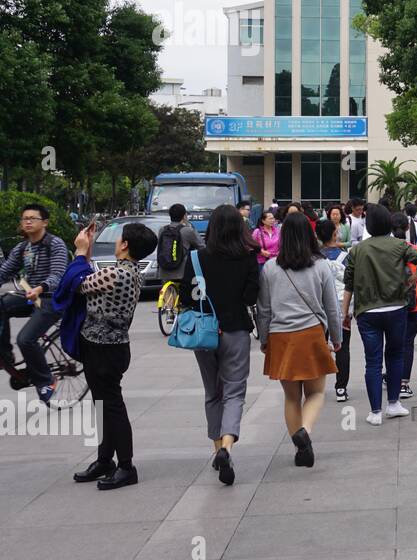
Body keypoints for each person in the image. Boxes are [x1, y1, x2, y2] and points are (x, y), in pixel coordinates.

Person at [70, 219, 157, 490]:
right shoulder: (127, 271)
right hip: (103, 346)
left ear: (125, 245)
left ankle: (126, 466)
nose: (117, 241)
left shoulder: (117, 274)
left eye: (119, 238)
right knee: (102, 404)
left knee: (112, 407)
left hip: (105, 350)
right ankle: (105, 459)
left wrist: (81, 251)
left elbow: (78, 283)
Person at [178, 204, 259, 486]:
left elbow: (186, 296)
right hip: (235, 330)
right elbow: (251, 297)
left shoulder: (197, 257)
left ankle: (217, 451)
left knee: (213, 392)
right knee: (234, 392)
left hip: (205, 334)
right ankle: (227, 446)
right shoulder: (249, 257)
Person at [256, 213, 342, 468]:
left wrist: (263, 339)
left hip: (281, 337)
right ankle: (305, 430)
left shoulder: (270, 268)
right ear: (310, 235)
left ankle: (300, 446)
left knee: (291, 397)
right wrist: (336, 337)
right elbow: (331, 307)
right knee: (315, 393)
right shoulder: (321, 265)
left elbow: (264, 309)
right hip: (311, 334)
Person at [342, 203, 417, 426]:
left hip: (367, 312)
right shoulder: (400, 245)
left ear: (369, 225)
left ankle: (375, 412)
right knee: (395, 355)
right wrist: (412, 278)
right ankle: (393, 404)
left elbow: (349, 284)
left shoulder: (357, 250)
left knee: (372, 362)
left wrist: (344, 313)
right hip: (396, 309)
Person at [0, 202, 69, 402]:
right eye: (25, 218)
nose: (28, 222)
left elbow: (57, 274)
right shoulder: (23, 247)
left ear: (44, 222)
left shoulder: (54, 244)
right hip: (30, 297)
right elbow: (5, 272)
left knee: (25, 339)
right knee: (2, 303)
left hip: (51, 299)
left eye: (33, 218)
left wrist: (40, 287)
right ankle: (6, 356)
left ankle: (46, 380)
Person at [317, 219, 354, 404]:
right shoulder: (346, 256)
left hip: (319, 308)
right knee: (343, 347)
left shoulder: (314, 258)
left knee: (319, 347)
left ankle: (316, 386)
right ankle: (341, 388)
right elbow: (352, 282)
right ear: (335, 234)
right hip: (342, 306)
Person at [390, 212, 417, 400]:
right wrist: (413, 285)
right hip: (412, 302)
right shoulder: (415, 249)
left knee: (392, 342)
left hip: (391, 302)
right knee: (407, 342)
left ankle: (391, 377)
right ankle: (404, 383)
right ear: (406, 228)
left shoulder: (386, 251)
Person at [156, 203, 202, 291]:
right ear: (184, 216)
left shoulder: (162, 230)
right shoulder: (188, 230)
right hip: (182, 273)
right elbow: (201, 246)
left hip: (164, 271)